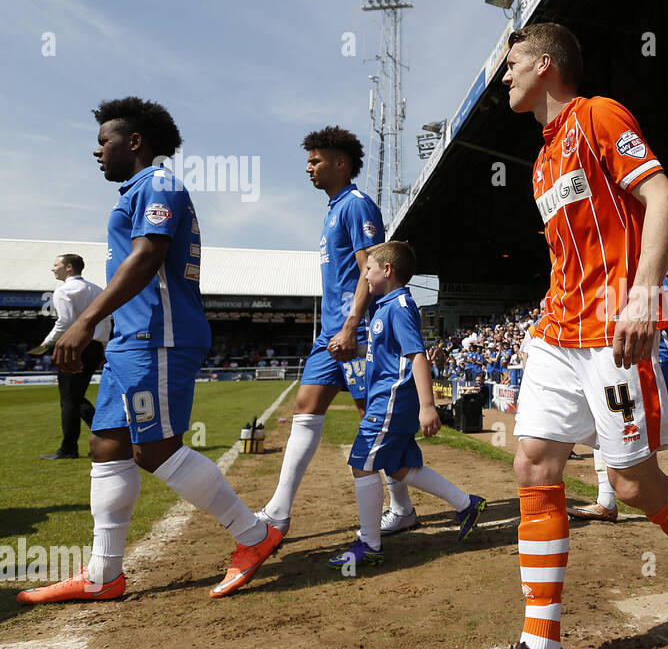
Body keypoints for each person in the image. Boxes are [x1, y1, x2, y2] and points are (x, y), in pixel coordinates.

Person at [451, 23, 668, 649]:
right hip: (558, 331)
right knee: (533, 463)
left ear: (548, 65)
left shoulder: (598, 115)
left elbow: (664, 201)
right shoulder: (542, 162)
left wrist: (645, 294)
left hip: (614, 332)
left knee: (636, 485)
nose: (505, 78)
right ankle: (540, 648)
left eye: (513, 64)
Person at [19, 97, 280, 604]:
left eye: (103, 141)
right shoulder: (136, 191)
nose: (96, 151)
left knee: (155, 449)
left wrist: (88, 321)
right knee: (107, 446)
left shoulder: (160, 184)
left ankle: (254, 535)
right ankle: (103, 574)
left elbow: (147, 256)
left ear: (134, 142)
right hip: (130, 341)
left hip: (159, 335)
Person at [255, 128, 417, 539]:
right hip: (330, 333)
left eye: (316, 160)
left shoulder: (357, 205)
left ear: (340, 162)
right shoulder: (332, 209)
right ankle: (278, 510)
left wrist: (351, 326)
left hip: (357, 332)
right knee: (305, 408)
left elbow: (371, 267)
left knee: (372, 421)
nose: (308, 167)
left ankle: (404, 508)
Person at [329, 242, 485, 569]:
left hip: (392, 398)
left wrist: (427, 406)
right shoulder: (386, 305)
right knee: (397, 466)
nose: (365, 277)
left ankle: (369, 544)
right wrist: (355, 352)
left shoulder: (399, 305)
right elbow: (387, 354)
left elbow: (417, 356)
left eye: (369, 270)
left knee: (363, 463)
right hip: (387, 396)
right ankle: (466, 504)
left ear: (387, 271)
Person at [571, 309, 668, 525]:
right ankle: (606, 501)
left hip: (655, 339)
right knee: (606, 422)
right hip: (609, 340)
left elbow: (667, 301)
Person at [29, 254, 112, 460]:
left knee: (68, 400)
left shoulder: (64, 290)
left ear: (68, 267)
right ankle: (107, 437)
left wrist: (46, 343)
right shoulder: (97, 290)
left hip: (73, 347)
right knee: (75, 397)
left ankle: (68, 449)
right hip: (94, 347)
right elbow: (107, 321)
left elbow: (64, 323)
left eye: (56, 265)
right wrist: (104, 348)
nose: (52, 268)